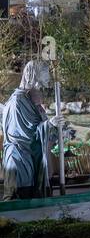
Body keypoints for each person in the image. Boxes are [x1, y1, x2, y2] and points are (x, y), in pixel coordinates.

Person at [2, 60, 62, 200]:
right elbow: (24, 134)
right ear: (35, 74)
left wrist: (56, 129)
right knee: (20, 202)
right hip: (20, 159)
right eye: (45, 73)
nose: (49, 77)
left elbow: (40, 126)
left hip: (29, 157)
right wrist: (49, 125)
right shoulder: (18, 101)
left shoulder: (31, 100)